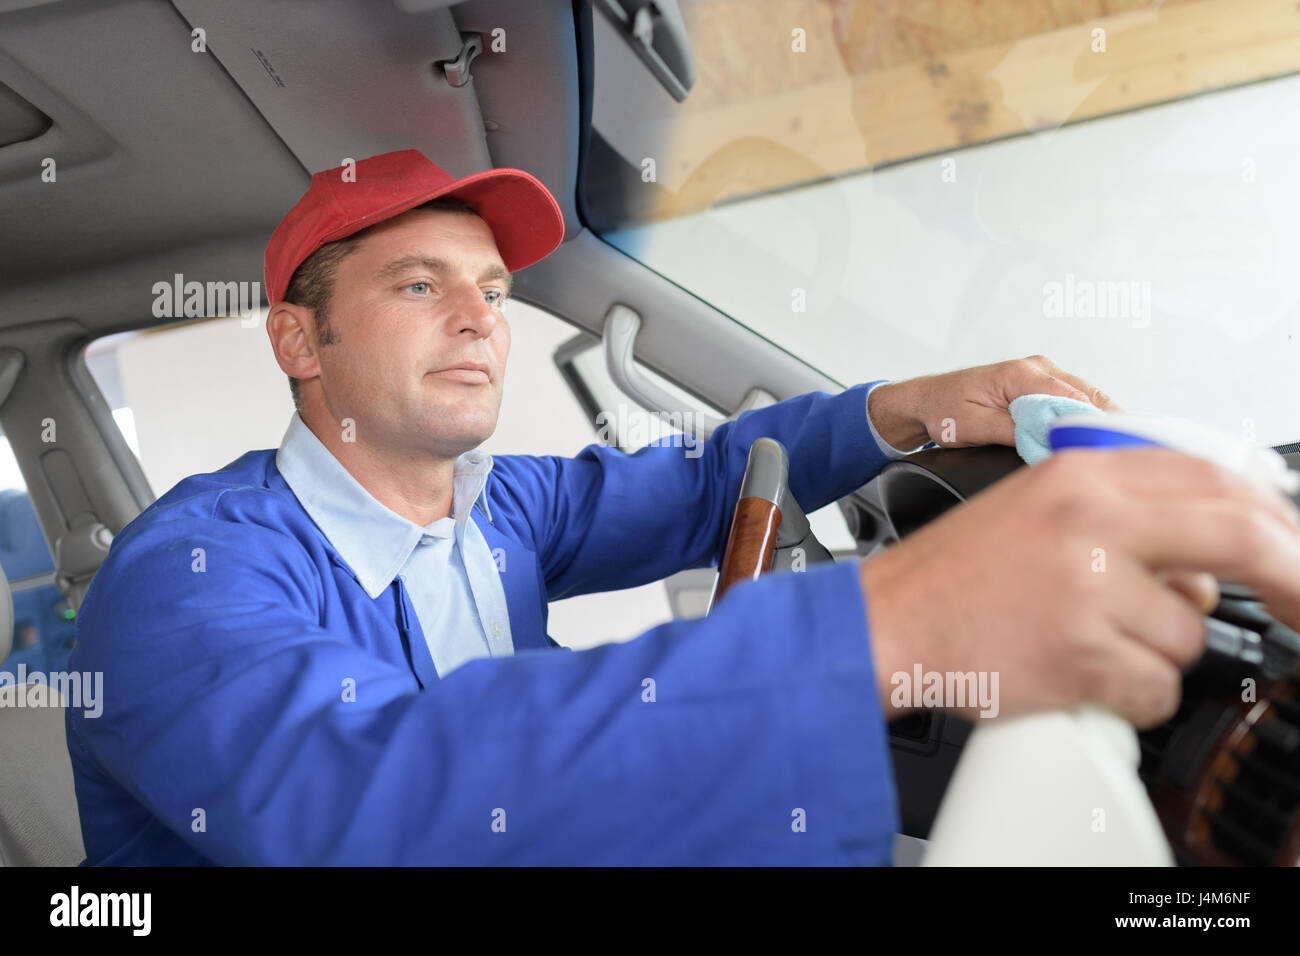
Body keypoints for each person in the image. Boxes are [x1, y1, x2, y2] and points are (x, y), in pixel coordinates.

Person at [66, 149, 1300, 865]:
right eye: (418, 282)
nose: (478, 319)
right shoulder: (185, 579)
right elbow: (352, 804)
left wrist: (917, 401)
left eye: (493, 290)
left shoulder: (494, 510)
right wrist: (892, 622)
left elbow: (710, 477)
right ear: (299, 336)